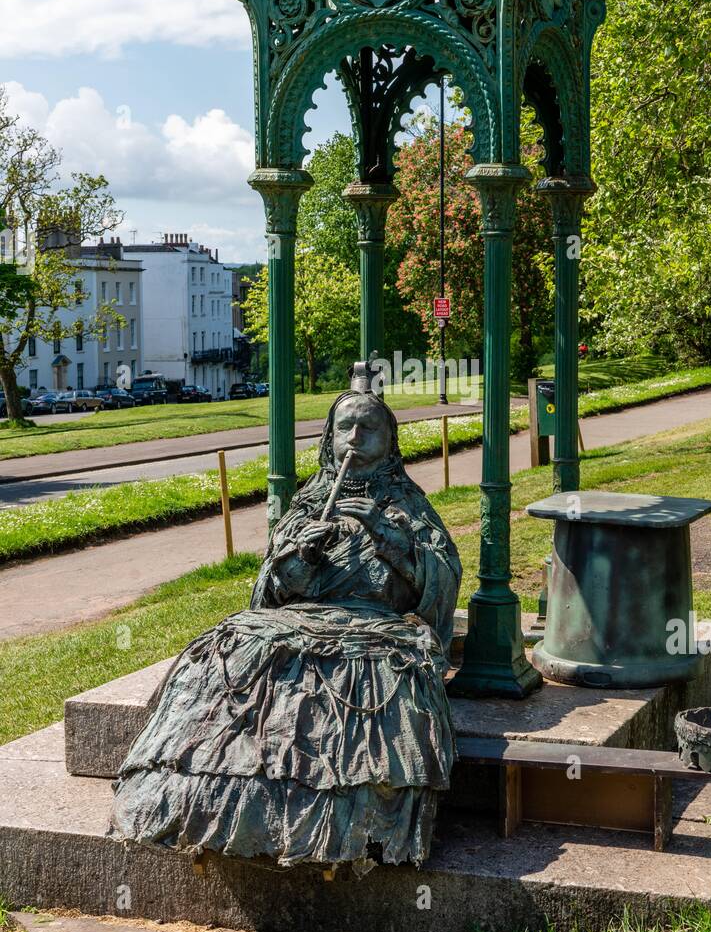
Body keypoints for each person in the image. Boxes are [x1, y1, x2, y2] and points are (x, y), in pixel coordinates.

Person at [109, 369, 461, 875]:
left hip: (376, 630)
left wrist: (389, 537)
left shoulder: (408, 505)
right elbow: (269, 593)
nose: (354, 439)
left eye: (368, 429)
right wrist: (299, 557)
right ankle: (205, 807)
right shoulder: (310, 501)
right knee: (227, 655)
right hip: (295, 623)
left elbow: (442, 582)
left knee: (370, 684)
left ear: (390, 441)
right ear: (329, 437)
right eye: (344, 428)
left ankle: (341, 829)